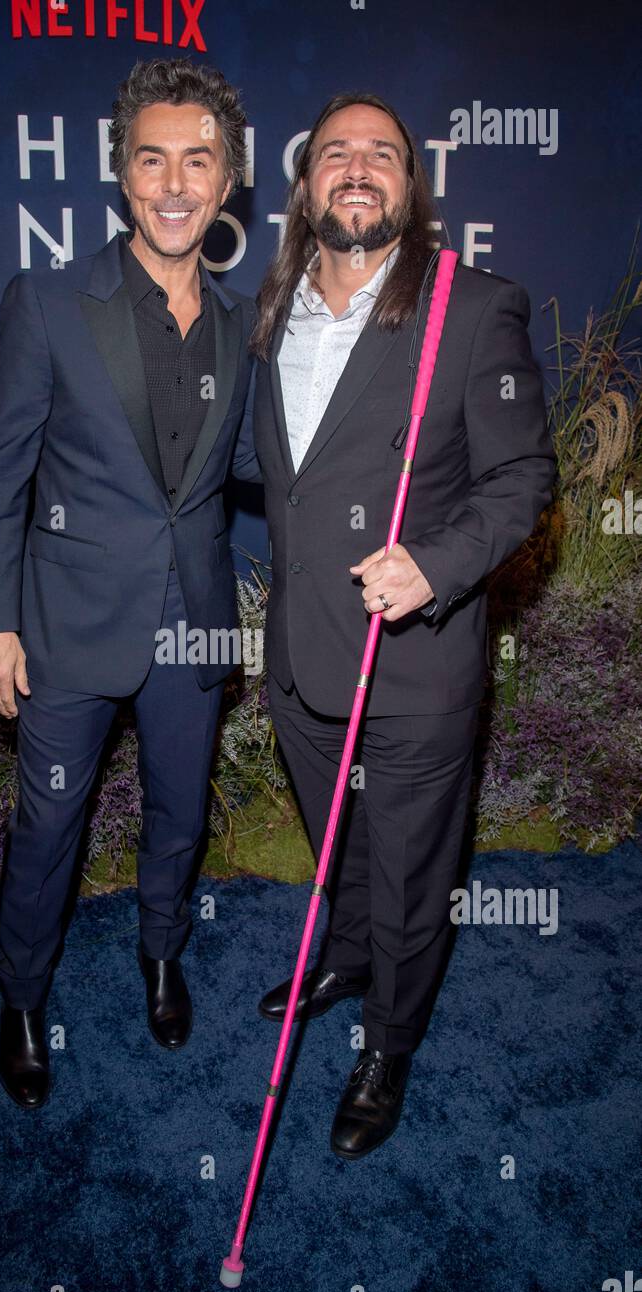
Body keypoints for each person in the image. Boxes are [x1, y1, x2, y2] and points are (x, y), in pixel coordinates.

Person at [234, 91, 556, 1158]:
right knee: (348, 842)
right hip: (302, 660)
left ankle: (387, 1042)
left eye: (382, 153)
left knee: (415, 870)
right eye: (335, 153)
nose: (358, 167)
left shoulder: (471, 307)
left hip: (411, 660)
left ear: (409, 188)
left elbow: (521, 477)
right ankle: (349, 956)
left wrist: (437, 564)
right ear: (304, 184)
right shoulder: (268, 314)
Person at [0, 59, 260, 1108]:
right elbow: (0, 472)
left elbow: (263, 468)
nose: (174, 184)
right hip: (66, 625)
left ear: (227, 183)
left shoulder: (239, 325)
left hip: (197, 624)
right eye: (152, 159)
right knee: (48, 826)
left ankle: (161, 953)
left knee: (179, 813)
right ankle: (20, 998)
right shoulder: (47, 301)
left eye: (198, 160)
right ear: (121, 176)